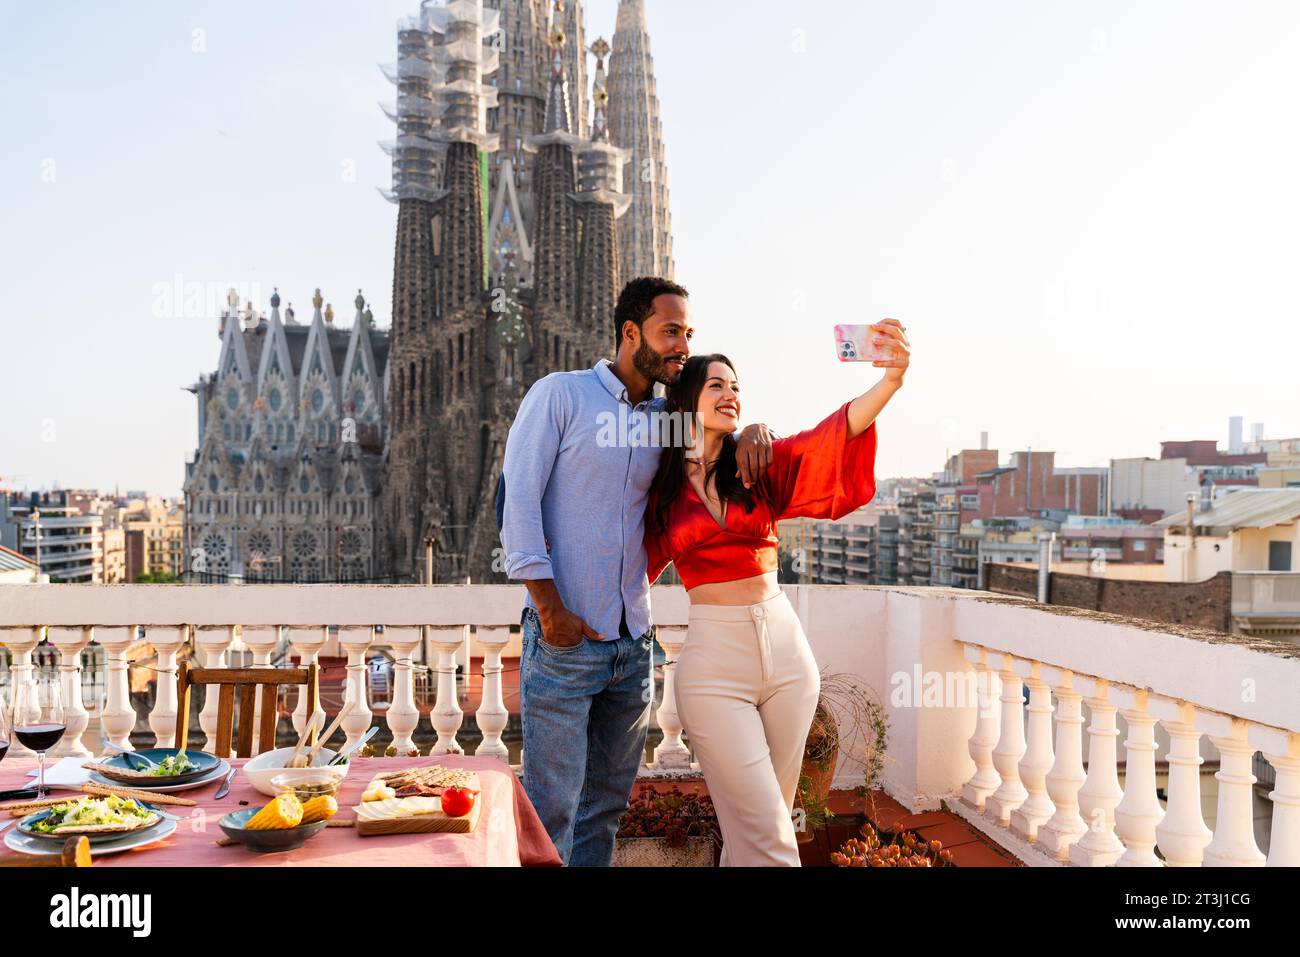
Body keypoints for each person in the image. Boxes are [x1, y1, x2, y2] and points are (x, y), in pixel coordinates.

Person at [498, 276, 775, 866]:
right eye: (670, 330)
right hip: (566, 645)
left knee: (605, 809)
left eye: (688, 333)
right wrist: (551, 611)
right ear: (631, 332)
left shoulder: (664, 420)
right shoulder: (560, 396)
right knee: (551, 813)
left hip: (633, 648)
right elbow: (515, 504)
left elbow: (716, 439)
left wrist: (756, 430)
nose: (682, 345)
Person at [643, 320, 910, 866]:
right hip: (715, 669)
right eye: (716, 385)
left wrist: (891, 381)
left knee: (761, 827)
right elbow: (624, 565)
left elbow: (830, 438)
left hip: (788, 657)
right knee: (768, 835)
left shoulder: (757, 466)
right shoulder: (659, 486)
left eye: (736, 386)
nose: (731, 394)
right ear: (688, 400)